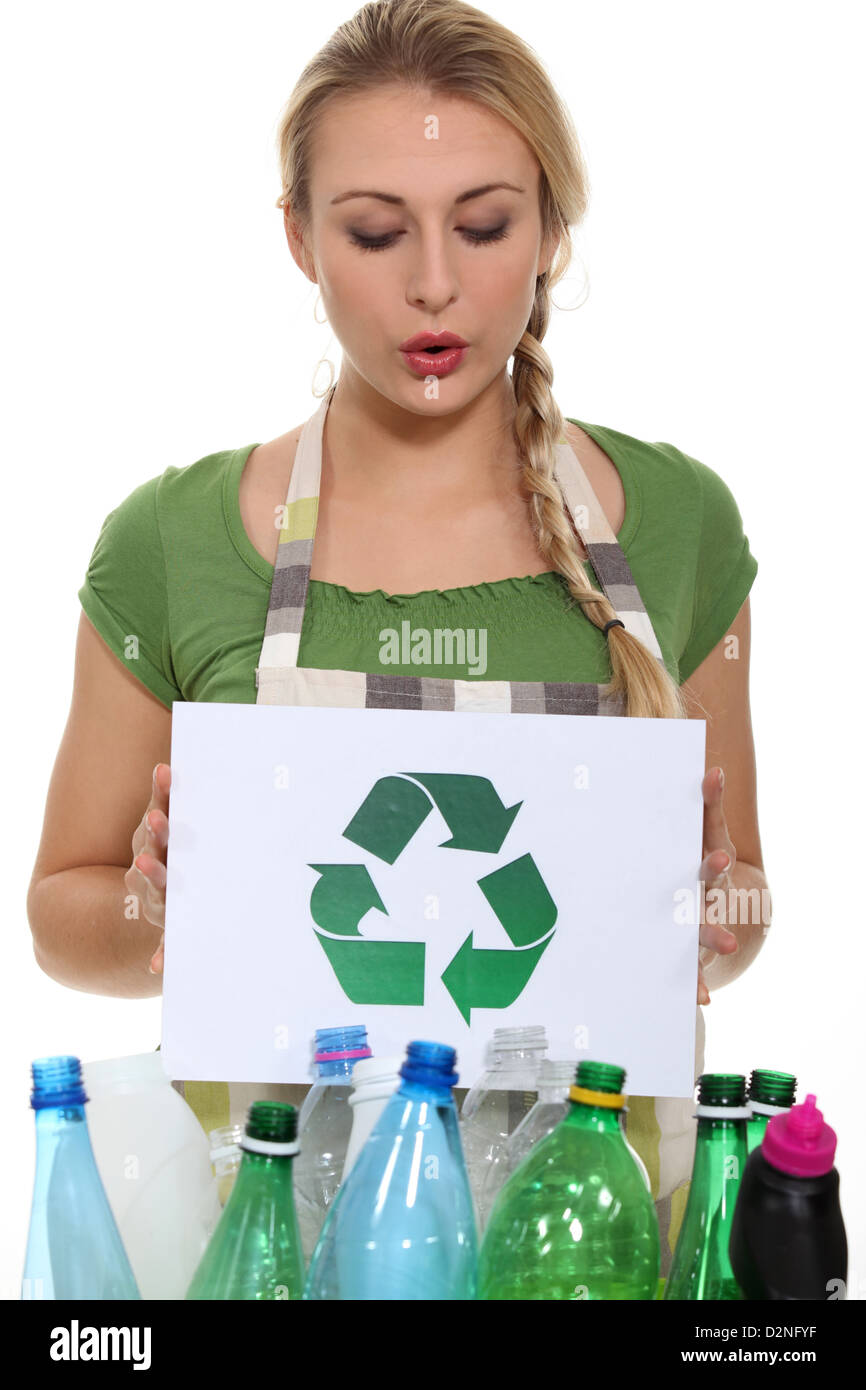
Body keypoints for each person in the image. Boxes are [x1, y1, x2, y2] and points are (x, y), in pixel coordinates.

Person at [26, 0, 770, 1278]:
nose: (433, 282)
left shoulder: (677, 525)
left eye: (483, 225)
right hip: (272, 1242)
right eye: (374, 231)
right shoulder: (174, 540)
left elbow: (740, 900)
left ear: (550, 231)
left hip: (578, 1244)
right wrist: (161, 904)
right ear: (298, 241)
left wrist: (701, 912)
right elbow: (61, 911)